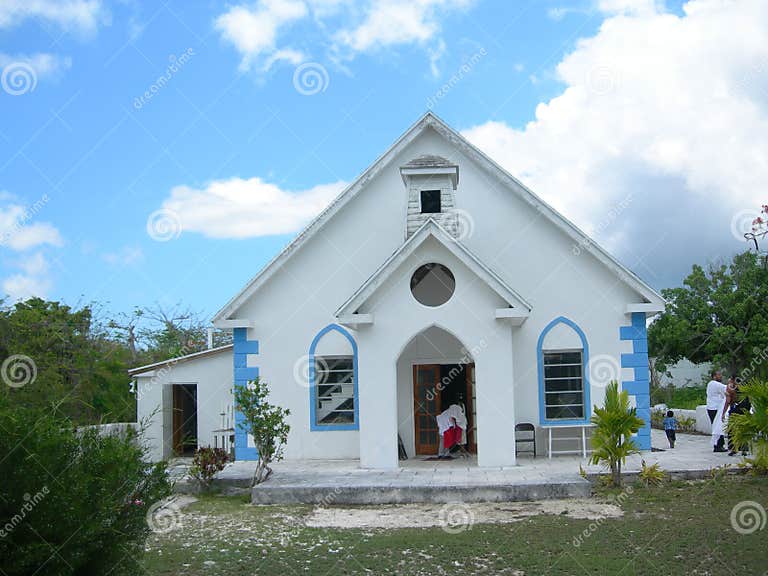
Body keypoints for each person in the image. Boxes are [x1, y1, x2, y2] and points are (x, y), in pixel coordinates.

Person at [706, 370, 727, 452]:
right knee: (718, 427)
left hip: (712, 407)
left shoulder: (711, 384)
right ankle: (718, 445)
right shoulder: (714, 384)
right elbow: (726, 389)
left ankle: (718, 445)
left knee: (716, 427)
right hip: (715, 408)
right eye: (719, 375)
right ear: (714, 376)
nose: (721, 376)